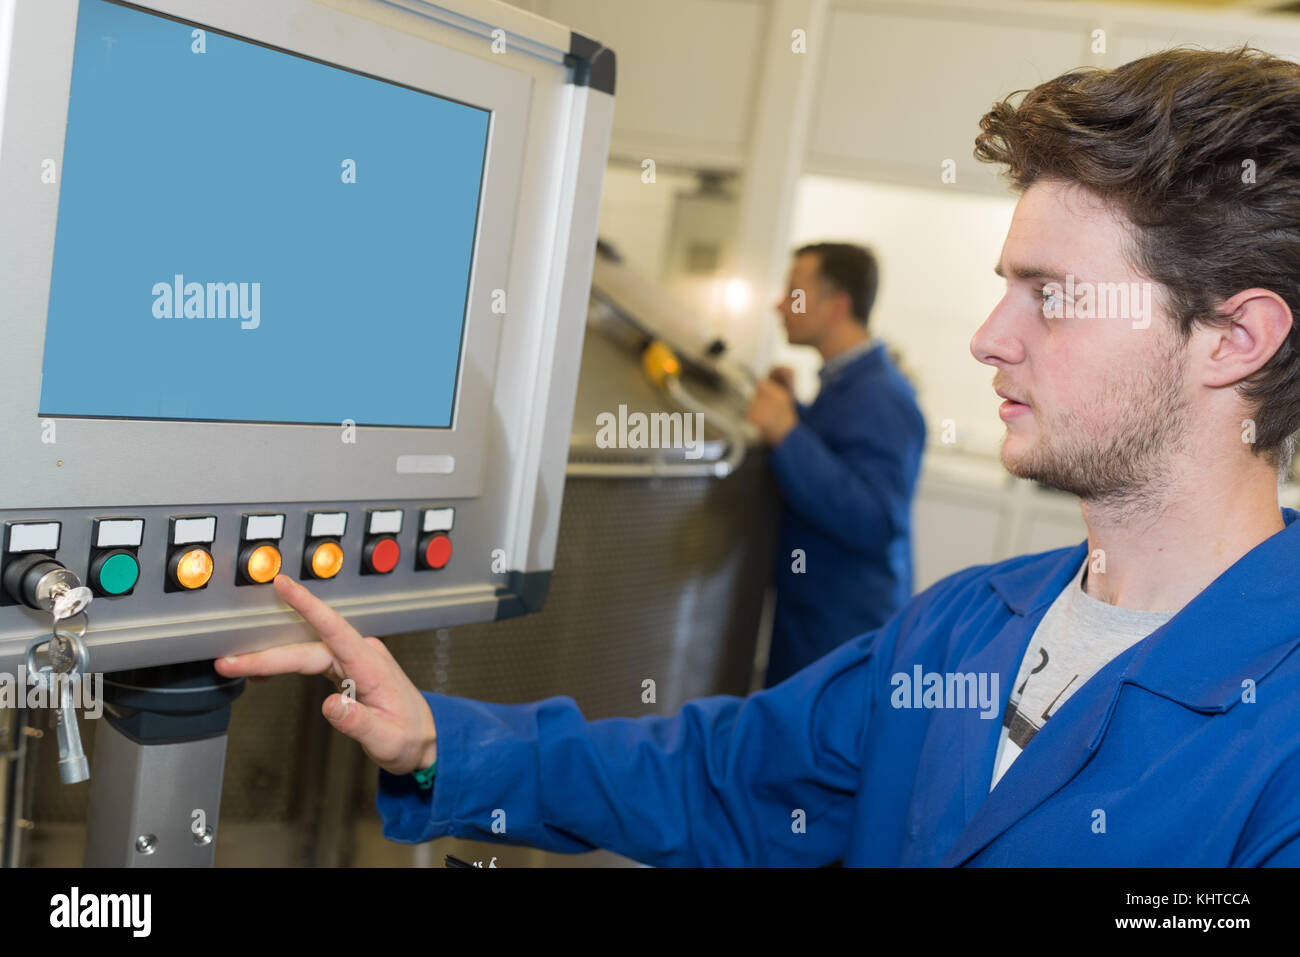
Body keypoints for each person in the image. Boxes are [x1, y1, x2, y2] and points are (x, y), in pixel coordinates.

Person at [217, 46, 1300, 865]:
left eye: (1050, 296)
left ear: (1234, 339)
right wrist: (442, 742)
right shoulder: (966, 623)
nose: (986, 338)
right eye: (1002, 285)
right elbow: (724, 776)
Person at [745, 243, 926, 686]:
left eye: (795, 293)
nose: (780, 304)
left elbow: (876, 520)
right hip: (814, 624)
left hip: (842, 636)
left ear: (837, 307)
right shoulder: (848, 383)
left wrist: (788, 434)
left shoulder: (883, 396)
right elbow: (842, 455)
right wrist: (797, 414)